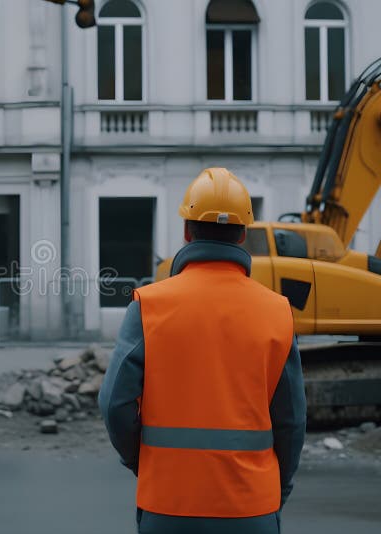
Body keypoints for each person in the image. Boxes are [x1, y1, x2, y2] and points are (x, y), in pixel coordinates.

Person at [98, 168, 306, 534]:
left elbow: (115, 404)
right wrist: (275, 492)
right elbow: (291, 423)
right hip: (251, 508)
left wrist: (145, 464)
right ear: (244, 234)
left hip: (167, 506)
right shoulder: (277, 312)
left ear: (185, 231)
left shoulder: (148, 307)